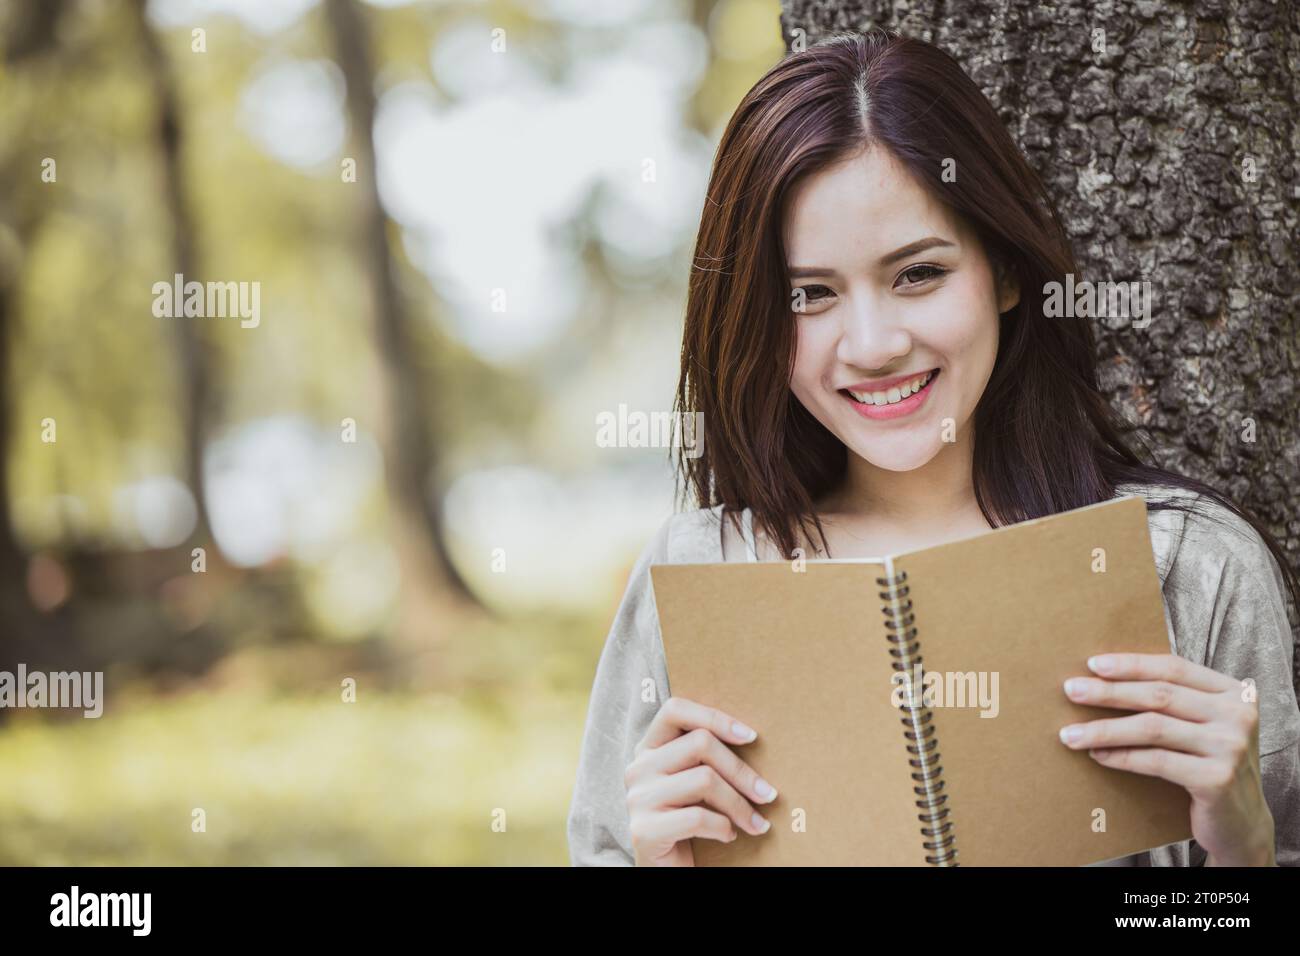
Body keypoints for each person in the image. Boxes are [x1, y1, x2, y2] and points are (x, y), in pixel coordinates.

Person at [566, 28, 1300, 867]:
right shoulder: (695, 577)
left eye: (918, 273)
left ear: (1007, 270)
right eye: (809, 295)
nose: (873, 344)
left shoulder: (1191, 569)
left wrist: (1242, 855)